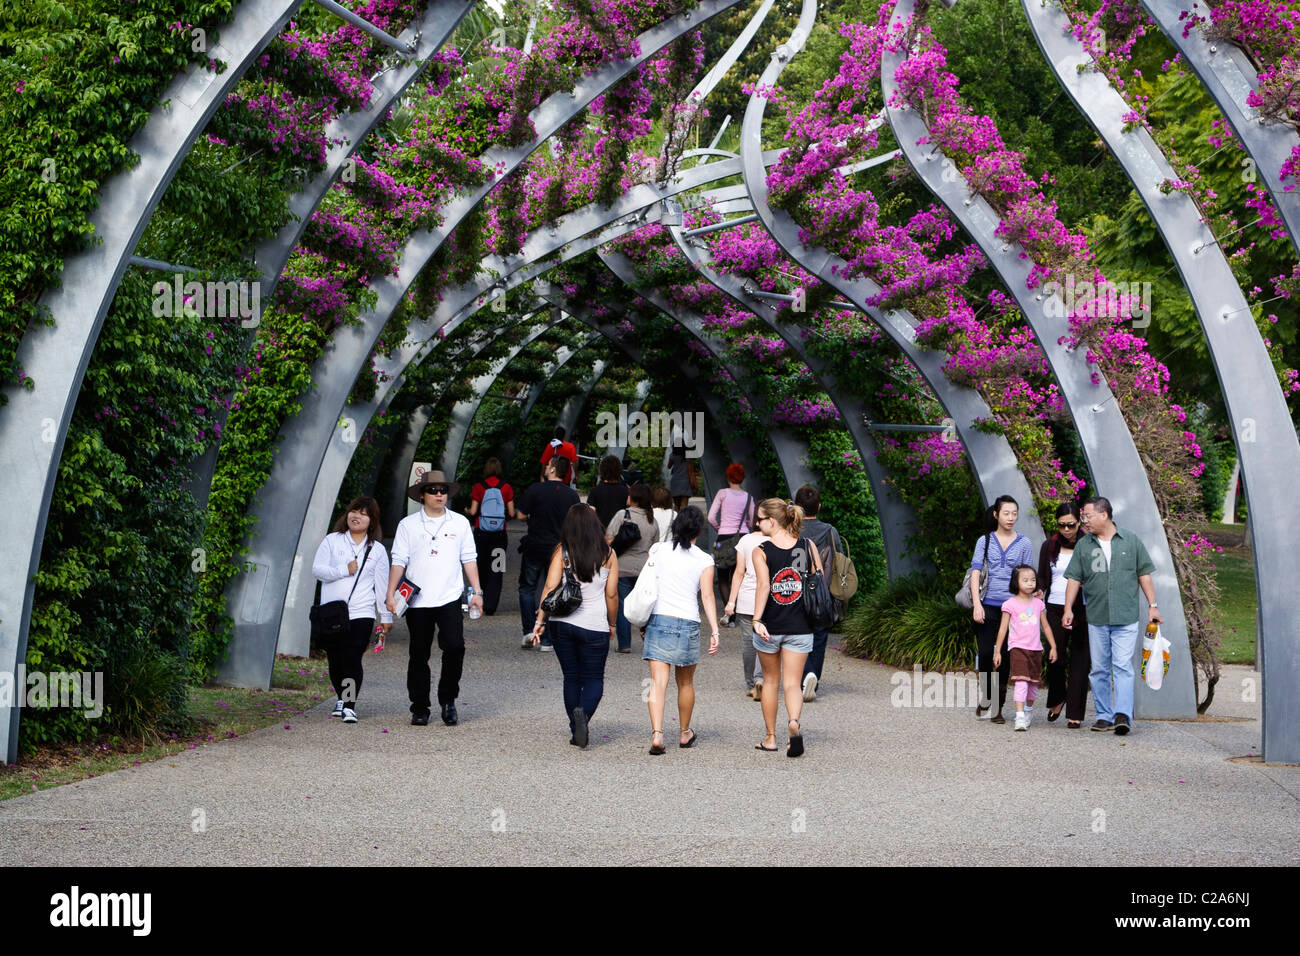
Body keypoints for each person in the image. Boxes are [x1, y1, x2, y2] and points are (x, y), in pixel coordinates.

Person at [388, 470, 483, 727]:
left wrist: (477, 592)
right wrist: (390, 592)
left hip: (449, 597)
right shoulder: (408, 525)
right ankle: (419, 706)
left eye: (443, 490)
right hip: (417, 600)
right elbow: (399, 560)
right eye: (433, 490)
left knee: (454, 647)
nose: (439, 494)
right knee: (419, 653)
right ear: (422, 495)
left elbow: (469, 558)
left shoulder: (459, 522)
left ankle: (448, 700)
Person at [1063, 496, 1161, 736]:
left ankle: (1123, 715)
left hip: (1126, 616)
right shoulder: (1085, 545)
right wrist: (1067, 608)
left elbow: (1144, 574)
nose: (1084, 520)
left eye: (1087, 516)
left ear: (1103, 515)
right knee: (1098, 669)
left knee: (1122, 666)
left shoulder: (1130, 540)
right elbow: (1074, 578)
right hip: (1097, 617)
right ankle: (1104, 715)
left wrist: (1153, 605)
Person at [531, 504, 619, 748]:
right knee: (593, 679)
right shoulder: (608, 554)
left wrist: (540, 621)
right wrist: (612, 624)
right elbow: (611, 595)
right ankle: (584, 714)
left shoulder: (563, 551)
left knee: (571, 677)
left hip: (563, 623)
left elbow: (549, 588)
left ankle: (575, 727)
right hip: (595, 624)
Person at [641, 506, 719, 755]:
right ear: (699, 530)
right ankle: (684, 732)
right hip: (687, 622)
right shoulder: (705, 559)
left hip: (659, 619)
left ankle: (657, 734)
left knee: (657, 683)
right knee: (685, 683)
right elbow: (707, 596)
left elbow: (649, 584)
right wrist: (715, 630)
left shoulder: (658, 550)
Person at [750, 498, 824, 757]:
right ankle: (794, 723)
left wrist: (757, 619)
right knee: (793, 684)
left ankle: (771, 738)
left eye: (759, 519)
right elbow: (818, 578)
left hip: (770, 625)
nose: (756, 523)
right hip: (801, 625)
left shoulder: (761, 550)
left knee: (770, 682)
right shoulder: (807, 545)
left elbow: (763, 587)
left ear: (771, 521)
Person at [312, 496, 392, 724]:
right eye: (354, 511)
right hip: (332, 613)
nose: (357, 516)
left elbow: (382, 587)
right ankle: (341, 696)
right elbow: (317, 570)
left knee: (351, 657)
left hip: (361, 612)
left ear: (372, 521)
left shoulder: (376, 550)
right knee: (335, 660)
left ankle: (349, 704)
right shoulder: (332, 541)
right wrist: (343, 569)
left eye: (364, 513)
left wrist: (385, 617)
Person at [969, 494, 1034, 724]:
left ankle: (997, 706)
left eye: (1014, 513)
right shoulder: (984, 541)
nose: (1010, 518)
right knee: (986, 654)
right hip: (988, 606)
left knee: (1006, 657)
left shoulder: (1025, 543)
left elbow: (1027, 576)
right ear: (996, 514)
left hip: (1013, 610)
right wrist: (977, 604)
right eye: (1006, 513)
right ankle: (986, 696)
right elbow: (975, 572)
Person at [516, 455, 580, 650]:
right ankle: (547, 639)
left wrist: (534, 521)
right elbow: (576, 524)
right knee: (553, 589)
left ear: (552, 469)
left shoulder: (536, 489)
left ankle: (529, 631)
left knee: (527, 587)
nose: (545, 467)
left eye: (547, 465)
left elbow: (520, 515)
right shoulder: (571, 495)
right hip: (558, 549)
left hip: (535, 544)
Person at [1035, 502, 1090, 727]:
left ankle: (1075, 712)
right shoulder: (1049, 546)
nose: (1066, 529)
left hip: (1083, 608)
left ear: (1079, 522)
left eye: (1071, 525)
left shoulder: (1089, 545)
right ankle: (1058, 698)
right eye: (1061, 525)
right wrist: (1038, 591)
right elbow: (1042, 577)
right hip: (1055, 607)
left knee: (1080, 660)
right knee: (1054, 656)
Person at [993, 565, 1058, 731]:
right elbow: (1003, 629)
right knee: (1021, 681)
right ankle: (1020, 716)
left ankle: (1028, 710)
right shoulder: (1010, 604)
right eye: (1025, 580)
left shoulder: (1038, 604)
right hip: (1018, 648)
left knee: (1034, 685)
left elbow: (1046, 626)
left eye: (1033, 580)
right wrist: (998, 651)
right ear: (1016, 582)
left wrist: (1053, 646)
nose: (1030, 583)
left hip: (1036, 649)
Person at [793, 484, 843, 702]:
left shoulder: (792, 529)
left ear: (796, 506)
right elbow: (839, 557)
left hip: (795, 589)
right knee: (820, 635)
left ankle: (806, 674)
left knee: (798, 634)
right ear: (819, 506)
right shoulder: (830, 531)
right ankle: (814, 677)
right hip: (822, 590)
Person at [604, 483, 659, 653]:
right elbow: (655, 547)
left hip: (622, 567)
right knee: (645, 605)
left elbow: (608, 539)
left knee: (622, 606)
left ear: (633, 498)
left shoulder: (622, 515)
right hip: (644, 569)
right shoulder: (652, 519)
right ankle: (649, 641)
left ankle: (624, 644)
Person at [466, 457, 516, 616]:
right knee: (497, 568)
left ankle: (479, 599)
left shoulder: (479, 487)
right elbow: (512, 512)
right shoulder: (506, 487)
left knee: (480, 566)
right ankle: (491, 606)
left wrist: (467, 511)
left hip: (481, 533)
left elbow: (473, 512)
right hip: (500, 535)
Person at [707, 463, 754, 627]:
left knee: (723, 577)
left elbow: (711, 517)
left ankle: (730, 616)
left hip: (725, 537)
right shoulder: (748, 497)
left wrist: (720, 528)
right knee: (739, 575)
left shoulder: (722, 494)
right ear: (742, 478)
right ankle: (740, 613)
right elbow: (752, 519)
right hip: (743, 538)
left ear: (728, 476)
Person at [724, 524, 766, 700]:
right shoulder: (778, 539)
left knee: (749, 643)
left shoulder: (746, 540)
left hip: (748, 598)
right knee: (765, 641)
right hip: (768, 599)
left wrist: (731, 601)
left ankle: (751, 684)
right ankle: (760, 678)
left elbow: (739, 572)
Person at [587, 454, 630, 528]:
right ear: (619, 470)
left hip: (600, 533)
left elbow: (590, 516)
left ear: (602, 470)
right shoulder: (625, 492)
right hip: (619, 533)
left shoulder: (595, 491)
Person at [667, 446, 696, 511]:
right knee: (684, 505)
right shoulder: (688, 456)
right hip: (685, 481)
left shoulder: (672, 455)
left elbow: (669, 466)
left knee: (676, 505)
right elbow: (691, 472)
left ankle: (676, 519)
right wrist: (694, 484)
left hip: (675, 481)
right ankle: (683, 520)